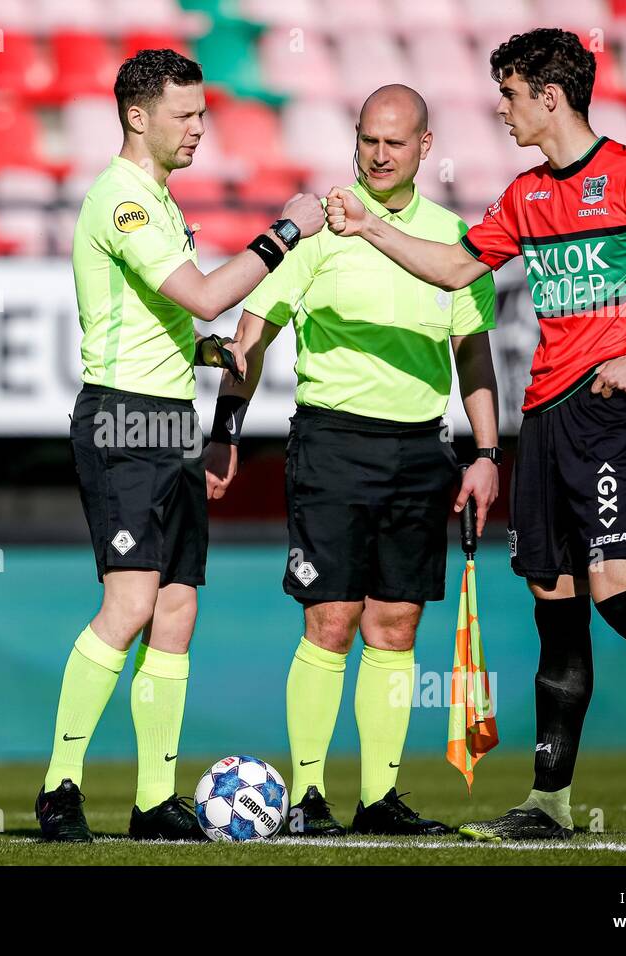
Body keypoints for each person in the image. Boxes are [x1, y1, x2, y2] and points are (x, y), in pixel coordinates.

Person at [325, 29, 626, 840]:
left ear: (549, 97)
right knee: (553, 607)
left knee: (618, 597)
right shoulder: (524, 196)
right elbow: (457, 268)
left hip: (609, 413)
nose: (502, 108)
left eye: (512, 93)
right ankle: (550, 802)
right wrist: (369, 228)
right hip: (546, 418)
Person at [36, 48, 325, 842]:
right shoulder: (123, 199)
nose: (201, 128)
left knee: (176, 608)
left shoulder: (159, 199)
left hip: (168, 418)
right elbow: (201, 294)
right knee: (128, 602)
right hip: (123, 420)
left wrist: (202, 353)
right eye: (186, 115)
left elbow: (164, 318)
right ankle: (59, 790)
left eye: (203, 113)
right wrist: (288, 231)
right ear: (138, 116)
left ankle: (154, 800)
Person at [205, 85, 500, 837]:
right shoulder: (316, 231)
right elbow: (255, 331)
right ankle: (306, 800)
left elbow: (472, 351)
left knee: (396, 625)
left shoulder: (452, 243)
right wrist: (225, 431)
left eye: (395, 143)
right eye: (368, 138)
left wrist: (487, 450)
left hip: (419, 449)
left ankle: (380, 801)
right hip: (332, 443)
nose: (378, 153)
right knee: (330, 619)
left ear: (425, 149)